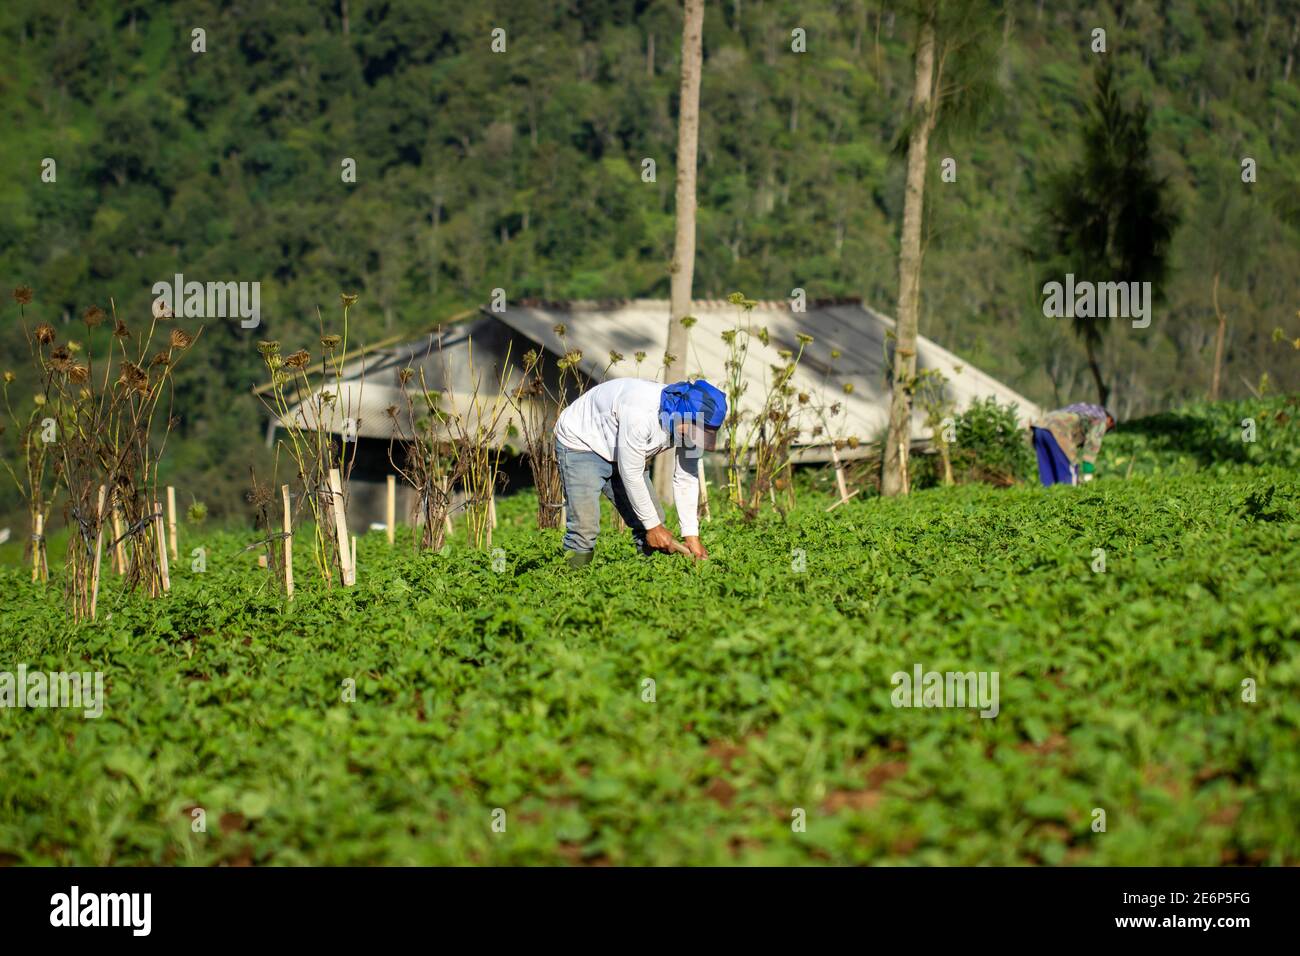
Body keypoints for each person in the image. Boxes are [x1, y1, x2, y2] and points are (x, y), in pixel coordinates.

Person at [553, 377, 726, 568]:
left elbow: (686, 477)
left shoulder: (690, 421)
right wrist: (653, 527)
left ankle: (651, 582)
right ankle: (573, 580)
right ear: (682, 415)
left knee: (653, 520)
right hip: (582, 442)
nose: (694, 438)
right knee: (584, 527)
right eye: (694, 431)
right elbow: (631, 474)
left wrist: (691, 535)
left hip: (624, 450)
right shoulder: (641, 414)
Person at [1030, 402, 1115, 486]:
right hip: (1057, 430)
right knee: (1069, 475)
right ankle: (1069, 497)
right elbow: (1092, 444)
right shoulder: (1100, 418)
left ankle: (1048, 496)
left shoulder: (1084, 410)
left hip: (1039, 427)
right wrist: (1087, 474)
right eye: (1110, 427)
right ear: (1110, 420)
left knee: (1047, 475)